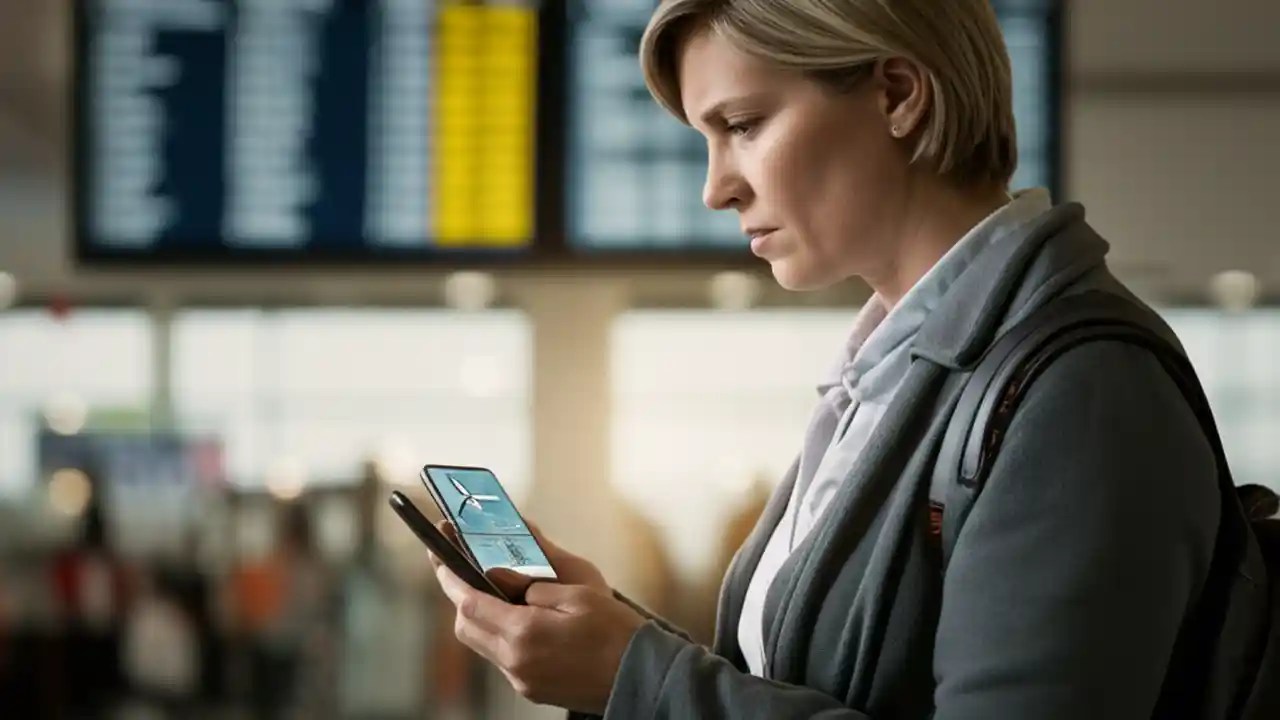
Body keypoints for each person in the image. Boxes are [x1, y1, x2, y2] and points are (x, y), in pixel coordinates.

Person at [427, 0, 1231, 717]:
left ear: (897, 95)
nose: (715, 188)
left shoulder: (1077, 394)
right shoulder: (889, 381)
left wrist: (639, 681)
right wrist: (616, 649)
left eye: (742, 125)